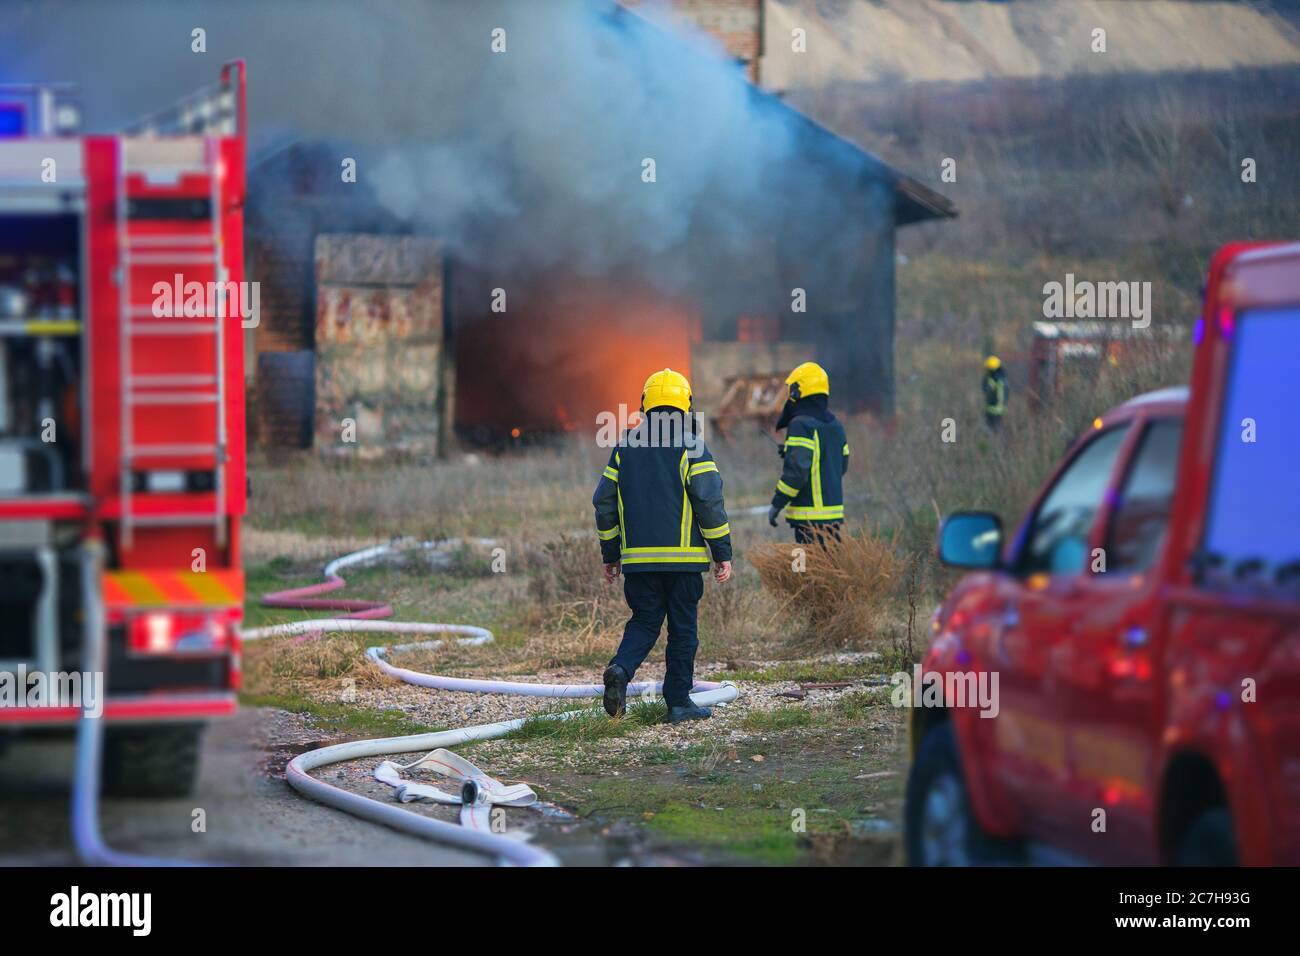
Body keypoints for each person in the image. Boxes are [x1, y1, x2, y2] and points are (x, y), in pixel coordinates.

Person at [593, 368, 733, 724]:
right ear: (686, 405)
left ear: (646, 404)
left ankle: (621, 670)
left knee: (644, 622)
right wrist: (722, 553)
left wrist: (612, 554)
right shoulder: (692, 445)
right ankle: (678, 702)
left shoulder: (625, 446)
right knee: (683, 630)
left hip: (639, 564)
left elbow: (604, 502)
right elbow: (709, 503)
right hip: (684, 564)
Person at [767, 361, 848, 545]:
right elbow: (840, 465)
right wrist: (791, 452)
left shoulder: (800, 424)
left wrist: (777, 503)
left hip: (808, 519)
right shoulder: (836, 425)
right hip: (833, 516)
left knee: (802, 569)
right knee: (830, 570)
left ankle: (799, 575)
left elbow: (796, 472)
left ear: (797, 391)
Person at [982, 355, 1007, 429]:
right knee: (996, 429)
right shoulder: (1002, 377)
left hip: (994, 409)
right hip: (997, 409)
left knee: (993, 429)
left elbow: (999, 394)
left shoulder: (995, 379)